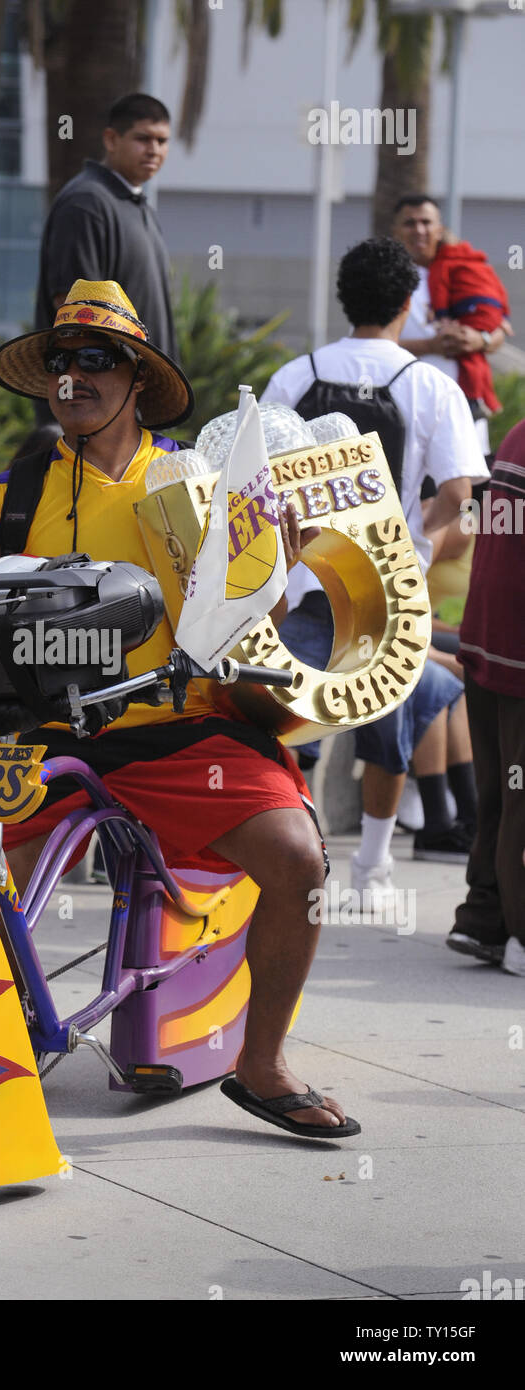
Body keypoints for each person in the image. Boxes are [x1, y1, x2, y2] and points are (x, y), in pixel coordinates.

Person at [0, 278, 359, 1139]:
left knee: (300, 863)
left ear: (137, 378)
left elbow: (252, 633)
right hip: (53, 740)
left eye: (97, 360)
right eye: (62, 362)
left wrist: (276, 569)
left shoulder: (200, 483)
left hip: (184, 734)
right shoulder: (8, 495)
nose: (76, 377)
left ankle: (261, 1063)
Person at [261, 238, 489, 902]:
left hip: (305, 588)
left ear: (343, 296)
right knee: (385, 725)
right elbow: (458, 493)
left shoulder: (296, 375)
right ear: (407, 302)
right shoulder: (428, 385)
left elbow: (259, 478)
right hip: (387, 593)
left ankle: (292, 862)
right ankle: (372, 870)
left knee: (295, 726)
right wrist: (415, 543)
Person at [449, 419, 525, 976]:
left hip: (488, 635)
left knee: (500, 791)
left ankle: (483, 919)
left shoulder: (519, 432)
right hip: (515, 644)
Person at [35, 93, 177, 366]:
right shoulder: (86, 203)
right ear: (111, 139)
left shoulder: (138, 205)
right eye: (143, 138)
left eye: (162, 141)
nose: (154, 150)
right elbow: (78, 313)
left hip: (136, 394)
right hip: (94, 395)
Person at [392, 195, 510, 455]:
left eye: (426, 222)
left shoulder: (463, 270)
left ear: (440, 228)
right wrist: (431, 346)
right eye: (409, 223)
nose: (419, 230)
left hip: (464, 406)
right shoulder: (387, 278)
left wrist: (481, 341)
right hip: (406, 407)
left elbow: (498, 328)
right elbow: (369, 344)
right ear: (396, 230)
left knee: (466, 491)